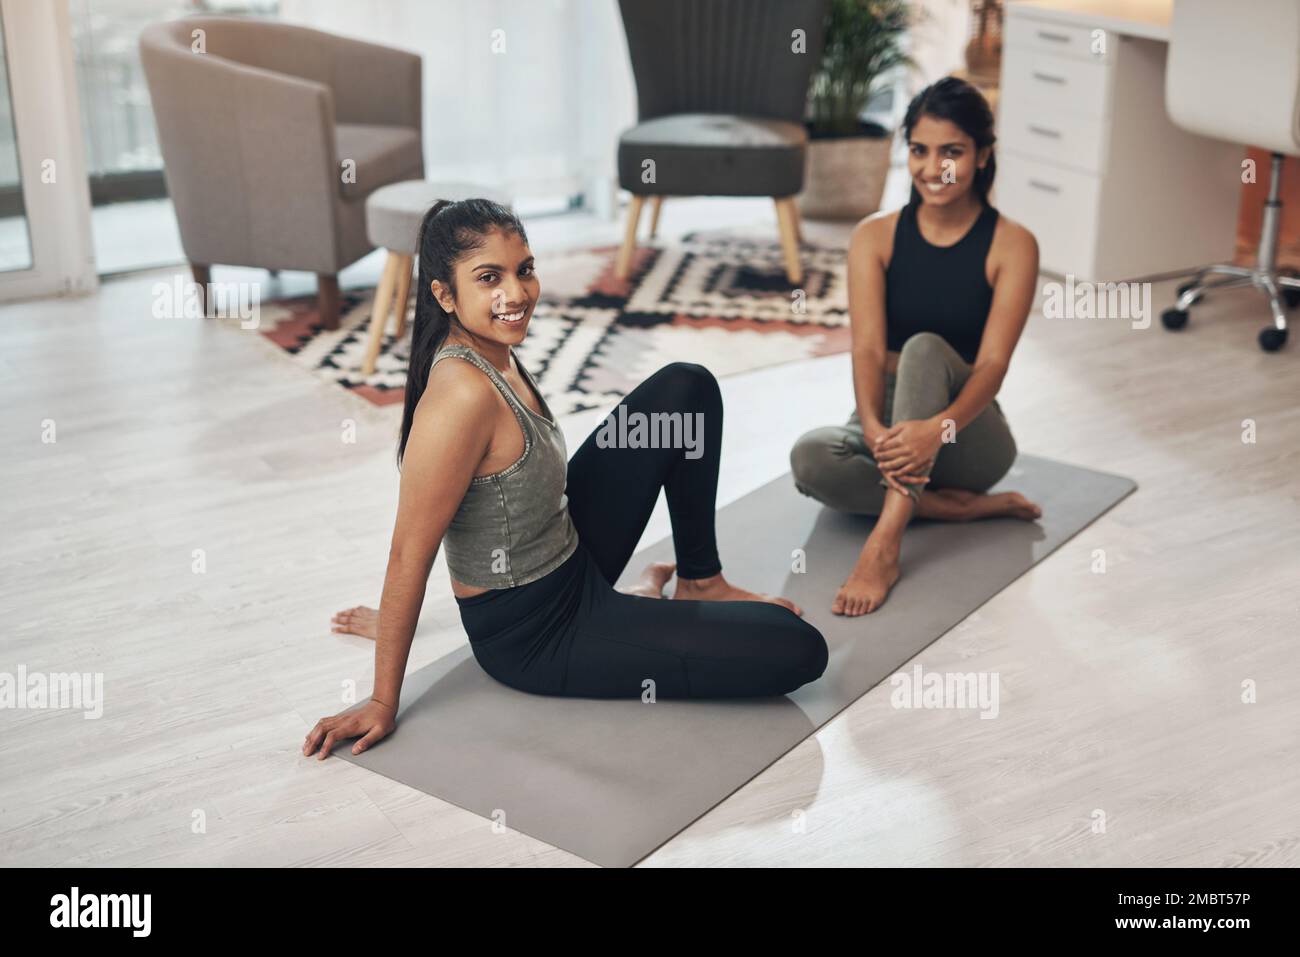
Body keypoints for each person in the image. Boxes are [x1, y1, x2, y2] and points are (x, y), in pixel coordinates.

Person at [305, 198, 827, 759]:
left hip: (570, 551)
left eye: (524, 269)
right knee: (797, 648)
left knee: (685, 388)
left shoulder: (496, 346)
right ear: (445, 295)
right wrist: (382, 699)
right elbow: (410, 551)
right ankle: (636, 607)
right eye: (489, 278)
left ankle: (701, 579)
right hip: (540, 633)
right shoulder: (459, 396)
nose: (516, 293)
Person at [789, 76, 1043, 619]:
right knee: (810, 458)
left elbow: (993, 365)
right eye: (920, 150)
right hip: (890, 428)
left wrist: (936, 428)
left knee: (924, 348)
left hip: (966, 434)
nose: (933, 168)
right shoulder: (874, 236)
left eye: (952, 151)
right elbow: (867, 349)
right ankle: (954, 510)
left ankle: (885, 543)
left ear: (982, 155)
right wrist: (872, 428)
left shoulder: (1012, 244)